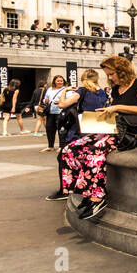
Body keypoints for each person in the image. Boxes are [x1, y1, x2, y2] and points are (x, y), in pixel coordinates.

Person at [59, 55, 137, 220]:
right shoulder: (116, 89)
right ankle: (84, 192)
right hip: (114, 128)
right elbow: (116, 111)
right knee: (69, 149)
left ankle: (97, 198)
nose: (109, 78)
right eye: (108, 74)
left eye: (111, 74)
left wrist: (117, 107)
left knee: (94, 152)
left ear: (122, 71)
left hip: (132, 131)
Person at [46, 69, 111, 201]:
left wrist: (64, 91)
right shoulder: (103, 93)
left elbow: (63, 104)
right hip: (98, 129)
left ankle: (65, 190)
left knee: (63, 156)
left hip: (82, 129)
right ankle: (83, 187)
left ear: (83, 79)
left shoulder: (82, 91)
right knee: (86, 157)